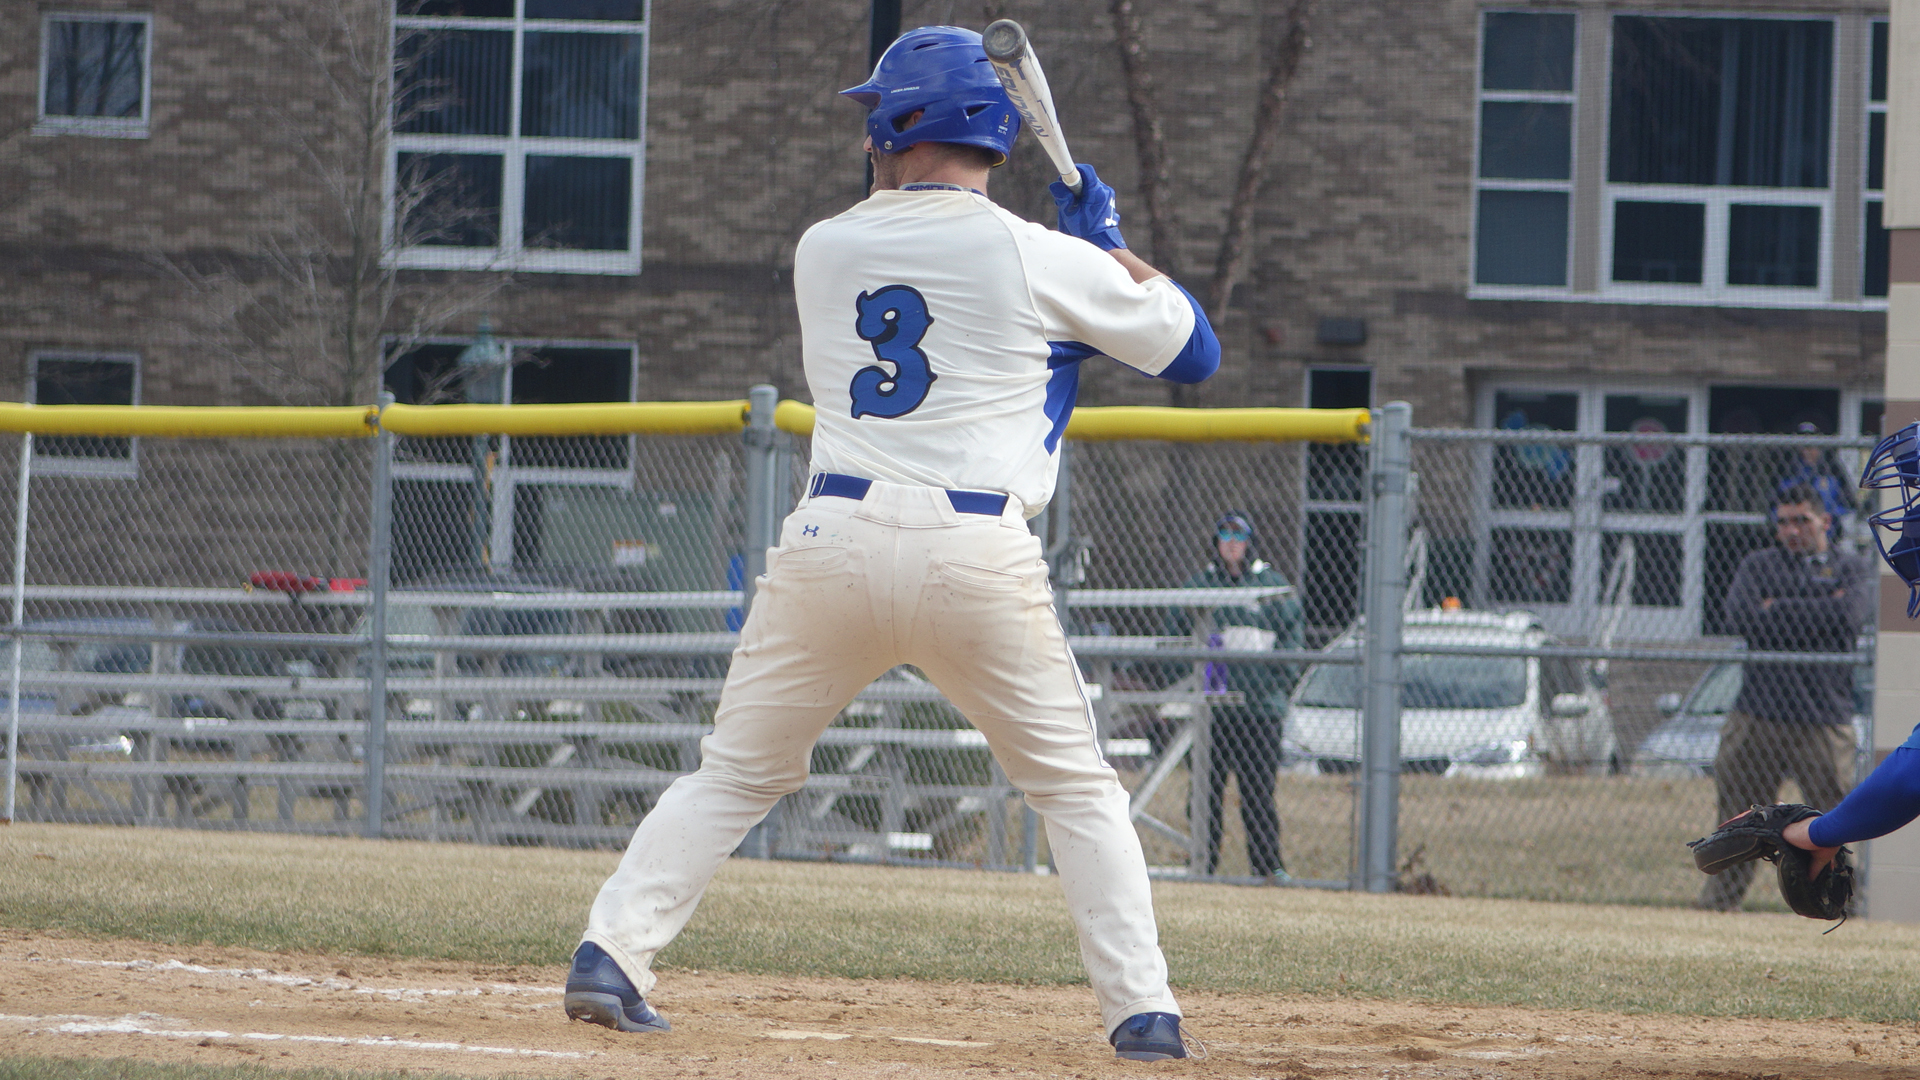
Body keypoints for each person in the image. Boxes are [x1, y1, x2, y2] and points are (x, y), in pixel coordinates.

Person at [561, 25, 1219, 1062]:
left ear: (910, 123)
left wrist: (1079, 263)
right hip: (974, 550)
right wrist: (1111, 246)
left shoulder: (823, 246)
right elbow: (1195, 352)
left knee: (737, 769)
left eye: (882, 113)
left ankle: (612, 952)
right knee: (1078, 791)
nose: (870, 129)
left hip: (834, 536)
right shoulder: (1039, 255)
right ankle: (1142, 1015)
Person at [1696, 483, 1873, 911]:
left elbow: (1850, 614)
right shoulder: (1758, 564)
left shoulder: (1851, 567)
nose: (1792, 530)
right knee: (1740, 818)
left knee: (1834, 820)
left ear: (1825, 522)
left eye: (1802, 521)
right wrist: (1818, 607)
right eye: (1783, 522)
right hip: (1758, 714)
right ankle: (1719, 906)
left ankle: (1840, 905)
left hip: (1823, 717)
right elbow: (1739, 616)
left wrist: (1776, 608)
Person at [1165, 511, 1303, 882]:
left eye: (1238, 535)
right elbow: (1175, 637)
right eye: (1224, 534)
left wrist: (1270, 685)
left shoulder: (1273, 588)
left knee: (1258, 793)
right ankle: (1202, 863)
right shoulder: (1200, 587)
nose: (1231, 542)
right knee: (1205, 792)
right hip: (1212, 713)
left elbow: (1292, 648)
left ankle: (1267, 867)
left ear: (1250, 542)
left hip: (1259, 712)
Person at [1776, 420, 1854, 538]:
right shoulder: (1788, 471)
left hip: (1828, 535)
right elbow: (1774, 504)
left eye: (1811, 445)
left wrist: (1830, 513)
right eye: (1804, 445)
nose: (1807, 451)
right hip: (1795, 535)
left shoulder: (1832, 470)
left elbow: (1849, 503)